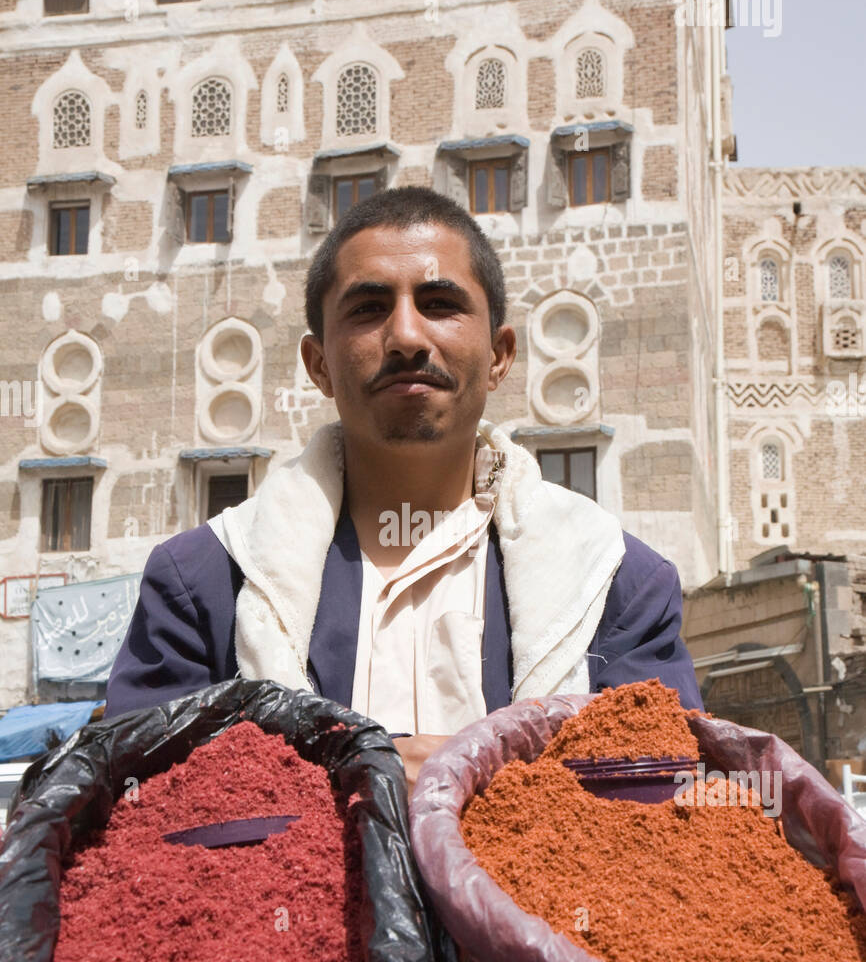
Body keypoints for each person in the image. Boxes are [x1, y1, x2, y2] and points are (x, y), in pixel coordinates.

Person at [104, 188, 702, 792]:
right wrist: (370, 777)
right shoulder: (207, 582)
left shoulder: (614, 582)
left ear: (499, 355)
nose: (407, 336)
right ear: (318, 365)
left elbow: (661, 802)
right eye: (368, 308)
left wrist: (471, 782)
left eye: (441, 303)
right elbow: (139, 813)